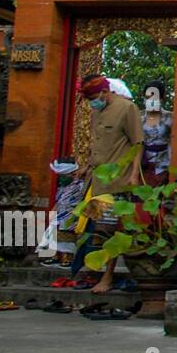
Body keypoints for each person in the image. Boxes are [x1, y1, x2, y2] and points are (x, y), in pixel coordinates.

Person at [69, 74, 145, 293]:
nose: (93, 101)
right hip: (96, 180)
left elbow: (137, 143)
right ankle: (92, 272)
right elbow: (97, 145)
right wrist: (86, 167)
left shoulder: (127, 108)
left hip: (118, 180)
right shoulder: (96, 112)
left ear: (104, 91)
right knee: (93, 230)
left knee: (111, 230)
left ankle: (108, 277)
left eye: (94, 96)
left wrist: (134, 174)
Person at [140, 81, 173, 187]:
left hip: (164, 163)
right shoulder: (138, 117)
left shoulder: (170, 117)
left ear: (162, 98)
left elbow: (174, 141)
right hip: (143, 163)